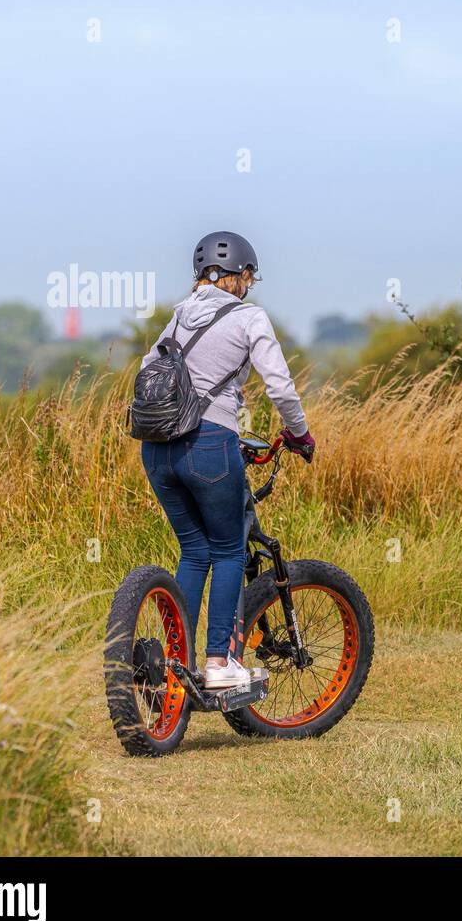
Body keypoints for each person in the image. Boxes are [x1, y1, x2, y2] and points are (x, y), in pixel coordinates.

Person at [139, 231, 315, 688]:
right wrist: (299, 433)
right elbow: (279, 386)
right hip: (210, 444)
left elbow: (146, 371)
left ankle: (177, 662)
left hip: (156, 451)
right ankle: (219, 663)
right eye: (249, 277)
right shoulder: (249, 318)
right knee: (229, 550)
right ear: (237, 275)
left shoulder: (177, 317)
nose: (249, 286)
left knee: (194, 552)